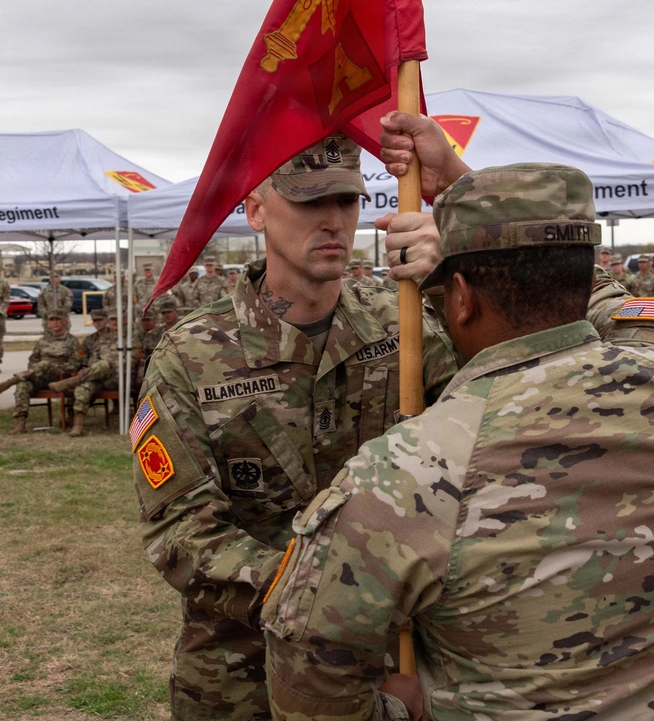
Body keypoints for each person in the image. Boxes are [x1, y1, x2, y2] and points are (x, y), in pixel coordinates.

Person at [263, 152, 654, 721]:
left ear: (459, 297)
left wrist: (394, 712)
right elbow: (641, 315)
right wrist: (466, 184)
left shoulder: (409, 468)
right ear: (584, 274)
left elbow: (308, 683)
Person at [130, 133, 460, 720]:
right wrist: (339, 598)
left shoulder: (407, 327)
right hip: (241, 679)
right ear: (256, 209)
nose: (334, 220)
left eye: (347, 201)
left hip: (393, 670)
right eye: (309, 202)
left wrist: (457, 266)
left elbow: (501, 424)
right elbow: (180, 534)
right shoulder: (192, 355)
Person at [0, 312, 83, 434]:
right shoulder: (42, 341)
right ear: (48, 323)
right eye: (52, 320)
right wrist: (37, 368)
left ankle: (11, 381)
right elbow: (33, 360)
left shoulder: (72, 341)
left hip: (60, 378)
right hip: (39, 377)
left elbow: (75, 365)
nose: (55, 322)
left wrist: (54, 367)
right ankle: (20, 424)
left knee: (45, 363)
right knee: (23, 385)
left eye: (58, 319)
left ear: (64, 321)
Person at [49, 314, 120, 437]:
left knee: (105, 365)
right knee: (84, 387)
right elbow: (91, 358)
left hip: (116, 378)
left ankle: (71, 381)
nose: (115, 323)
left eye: (117, 320)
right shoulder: (101, 340)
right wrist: (89, 369)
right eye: (113, 320)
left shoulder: (128, 339)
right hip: (96, 377)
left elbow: (129, 361)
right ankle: (78, 424)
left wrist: (103, 366)